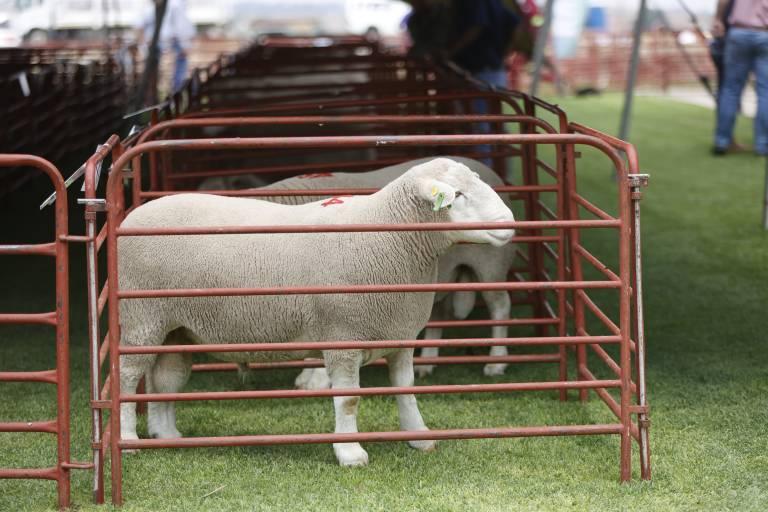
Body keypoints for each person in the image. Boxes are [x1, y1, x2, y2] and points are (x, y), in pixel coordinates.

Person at [712, 0, 768, 156]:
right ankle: (762, 145)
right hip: (765, 33)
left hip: (739, 32)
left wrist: (718, 19)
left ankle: (722, 141)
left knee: (730, 91)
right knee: (765, 93)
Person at [136, 0, 195, 94]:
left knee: (180, 64)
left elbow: (182, 28)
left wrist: (184, 44)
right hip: (157, 44)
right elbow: (139, 28)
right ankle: (158, 92)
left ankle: (176, 91)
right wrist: (145, 45)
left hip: (172, 42)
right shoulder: (148, 9)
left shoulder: (175, 5)